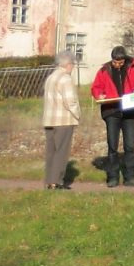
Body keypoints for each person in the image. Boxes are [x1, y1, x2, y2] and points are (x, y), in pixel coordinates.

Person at [89, 44, 134, 187]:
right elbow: (96, 88)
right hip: (111, 112)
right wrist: (99, 95)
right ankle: (113, 177)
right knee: (112, 145)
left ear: (125, 60)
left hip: (129, 112)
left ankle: (130, 177)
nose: (117, 65)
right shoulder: (104, 70)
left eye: (120, 63)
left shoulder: (133, 70)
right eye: (114, 62)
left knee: (129, 145)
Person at [40, 51, 81, 189]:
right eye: (73, 64)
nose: (73, 67)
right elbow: (70, 102)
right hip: (63, 120)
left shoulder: (50, 77)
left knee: (51, 151)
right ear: (68, 64)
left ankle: (49, 181)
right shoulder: (66, 79)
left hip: (49, 119)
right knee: (61, 152)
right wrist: (78, 115)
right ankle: (57, 181)